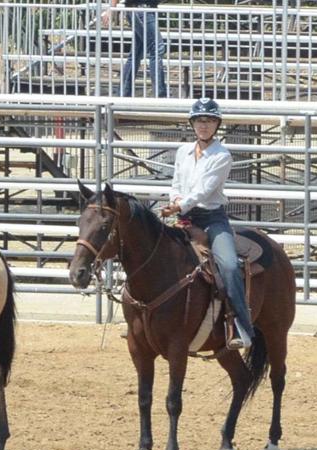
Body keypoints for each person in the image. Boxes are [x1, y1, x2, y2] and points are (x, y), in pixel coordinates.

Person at [161, 98, 253, 350]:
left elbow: (204, 191)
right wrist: (175, 199)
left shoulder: (222, 156)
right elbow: (176, 183)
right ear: (193, 123)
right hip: (183, 215)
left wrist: (179, 205)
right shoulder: (183, 152)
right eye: (200, 120)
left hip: (212, 219)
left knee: (230, 265)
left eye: (209, 120)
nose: (204, 125)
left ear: (217, 125)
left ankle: (240, 325)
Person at [104, 0, 167, 98]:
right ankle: (160, 95)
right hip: (141, 9)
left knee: (137, 52)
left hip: (144, 9)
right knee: (156, 48)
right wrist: (111, 7)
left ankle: (123, 93)